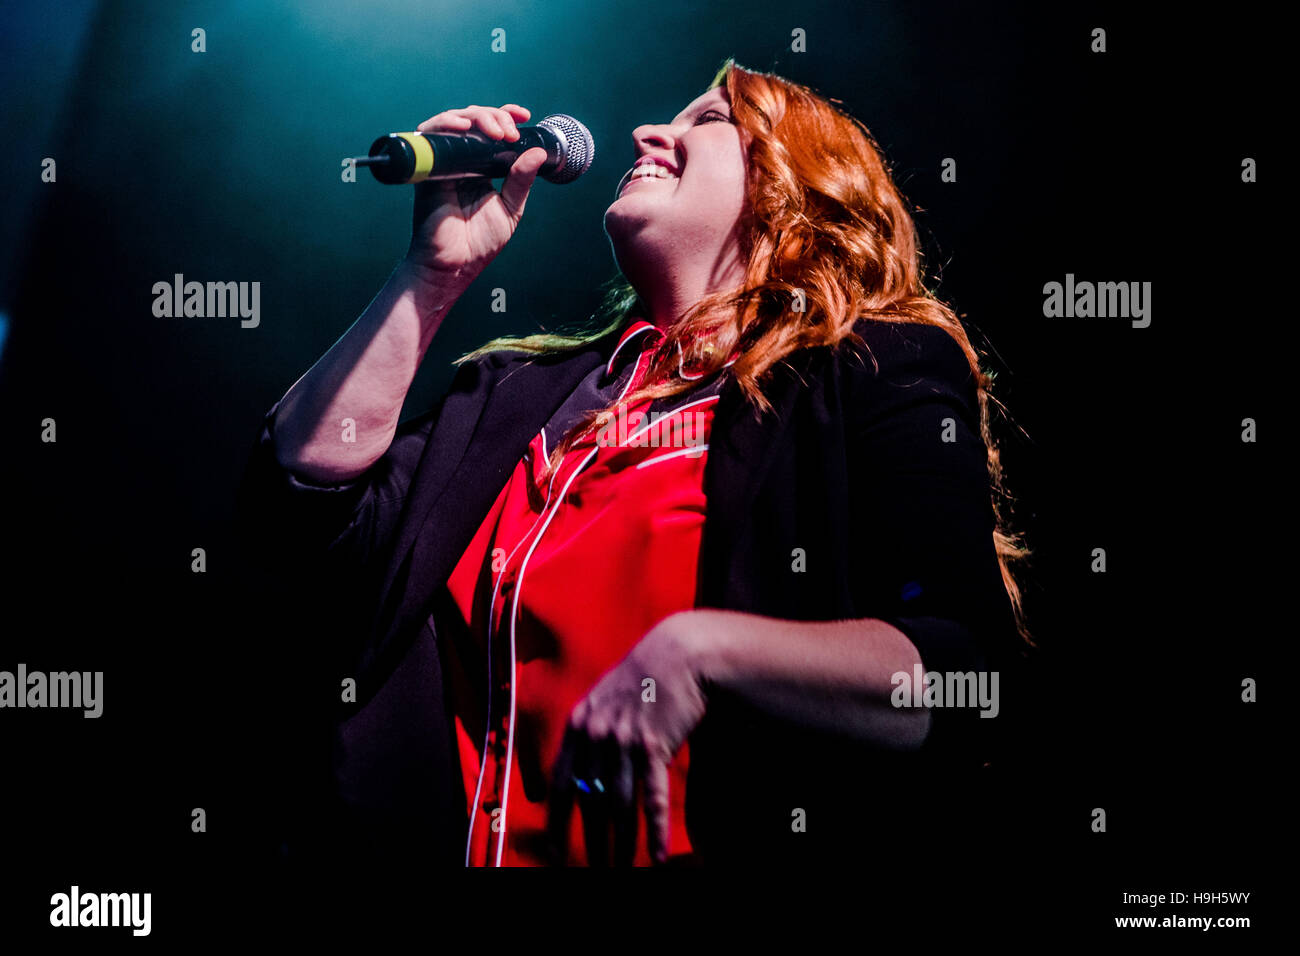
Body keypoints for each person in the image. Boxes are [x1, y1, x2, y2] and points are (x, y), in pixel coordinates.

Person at [238, 57, 1031, 868]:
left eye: (707, 120)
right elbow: (302, 500)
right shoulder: (514, 394)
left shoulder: (870, 367)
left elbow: (966, 673)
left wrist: (701, 652)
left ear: (800, 186)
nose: (651, 133)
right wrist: (430, 277)